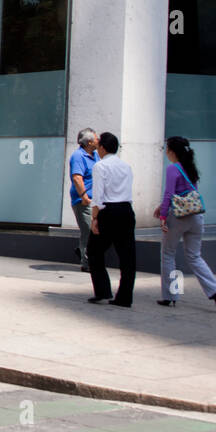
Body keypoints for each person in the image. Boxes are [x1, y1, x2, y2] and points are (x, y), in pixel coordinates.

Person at [155, 137, 216, 311]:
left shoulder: (173, 168)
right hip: (196, 217)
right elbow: (187, 192)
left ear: (172, 151)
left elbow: (169, 194)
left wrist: (163, 216)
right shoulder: (191, 168)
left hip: (178, 218)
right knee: (194, 256)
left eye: (167, 149)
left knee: (168, 254)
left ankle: (171, 295)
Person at [87, 132, 136, 308]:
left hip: (108, 211)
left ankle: (102, 290)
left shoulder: (100, 166)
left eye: (98, 146)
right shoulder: (126, 166)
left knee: (94, 251)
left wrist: (94, 219)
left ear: (103, 148)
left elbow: (98, 196)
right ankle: (125, 297)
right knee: (128, 257)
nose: (96, 149)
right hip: (126, 211)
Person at [68, 129, 99, 272]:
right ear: (89, 142)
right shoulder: (78, 156)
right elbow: (77, 177)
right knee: (88, 231)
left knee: (92, 231)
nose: (99, 140)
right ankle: (87, 263)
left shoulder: (95, 155)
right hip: (83, 200)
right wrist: (84, 197)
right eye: (96, 138)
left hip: (95, 200)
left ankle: (82, 252)